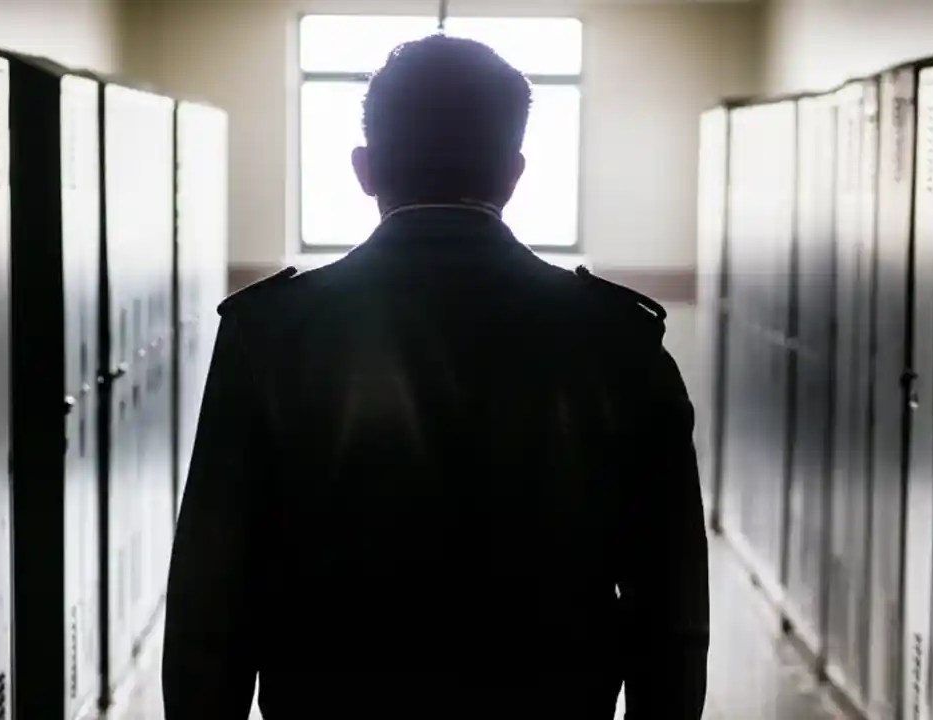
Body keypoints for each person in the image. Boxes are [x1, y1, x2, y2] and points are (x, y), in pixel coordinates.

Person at [162, 34, 709, 720]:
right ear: (513, 173)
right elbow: (671, 608)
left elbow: (211, 599)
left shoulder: (270, 335)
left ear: (364, 169)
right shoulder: (618, 339)